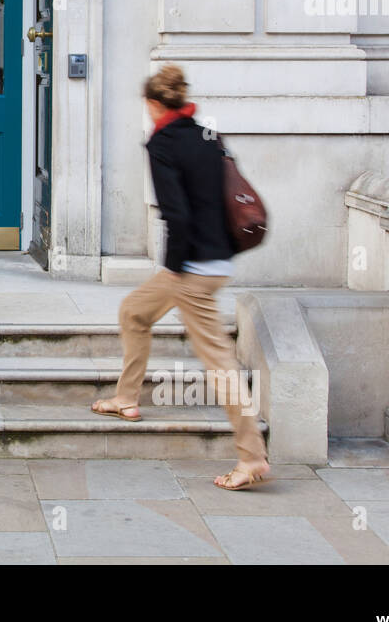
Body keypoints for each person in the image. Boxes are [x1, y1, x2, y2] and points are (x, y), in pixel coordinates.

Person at [91, 63, 270, 491]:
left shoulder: (162, 143)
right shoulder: (207, 134)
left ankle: (252, 458)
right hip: (217, 259)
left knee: (221, 365)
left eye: (147, 106)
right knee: (134, 311)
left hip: (191, 268)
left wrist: (174, 269)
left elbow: (176, 211)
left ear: (154, 104)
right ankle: (126, 398)